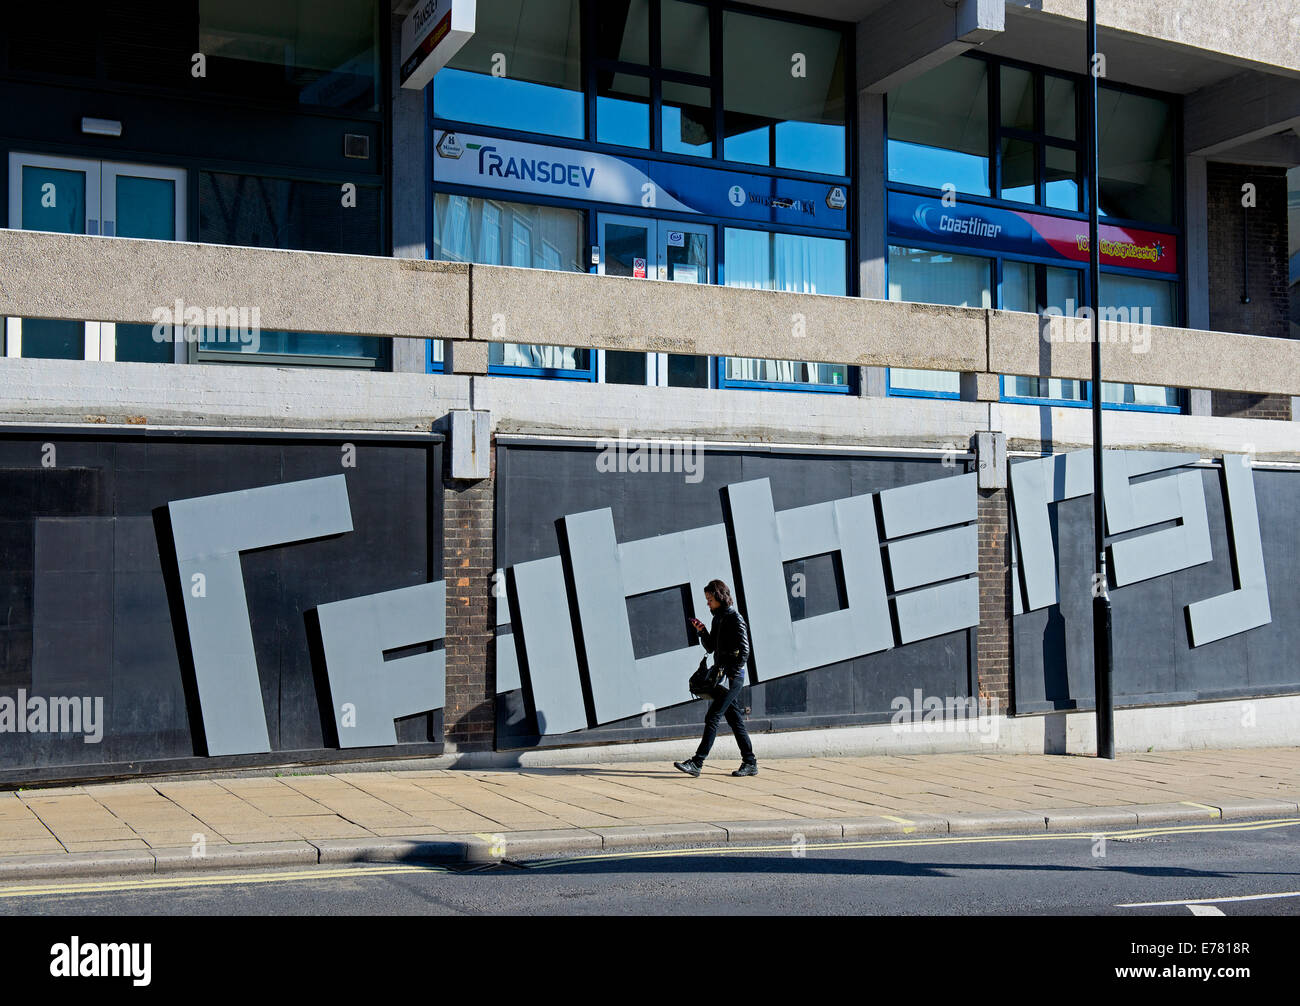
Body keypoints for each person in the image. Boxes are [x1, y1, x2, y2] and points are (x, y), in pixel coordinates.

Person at [674, 579, 757, 778]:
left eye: (710, 599)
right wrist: (702, 631)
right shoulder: (718, 619)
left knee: (712, 717)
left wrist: (732, 672)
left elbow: (745, 650)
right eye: (707, 600)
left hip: (732, 677)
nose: (708, 603)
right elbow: (711, 647)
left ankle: (697, 762)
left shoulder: (735, 618)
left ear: (720, 597)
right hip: (724, 677)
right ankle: (750, 762)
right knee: (735, 720)